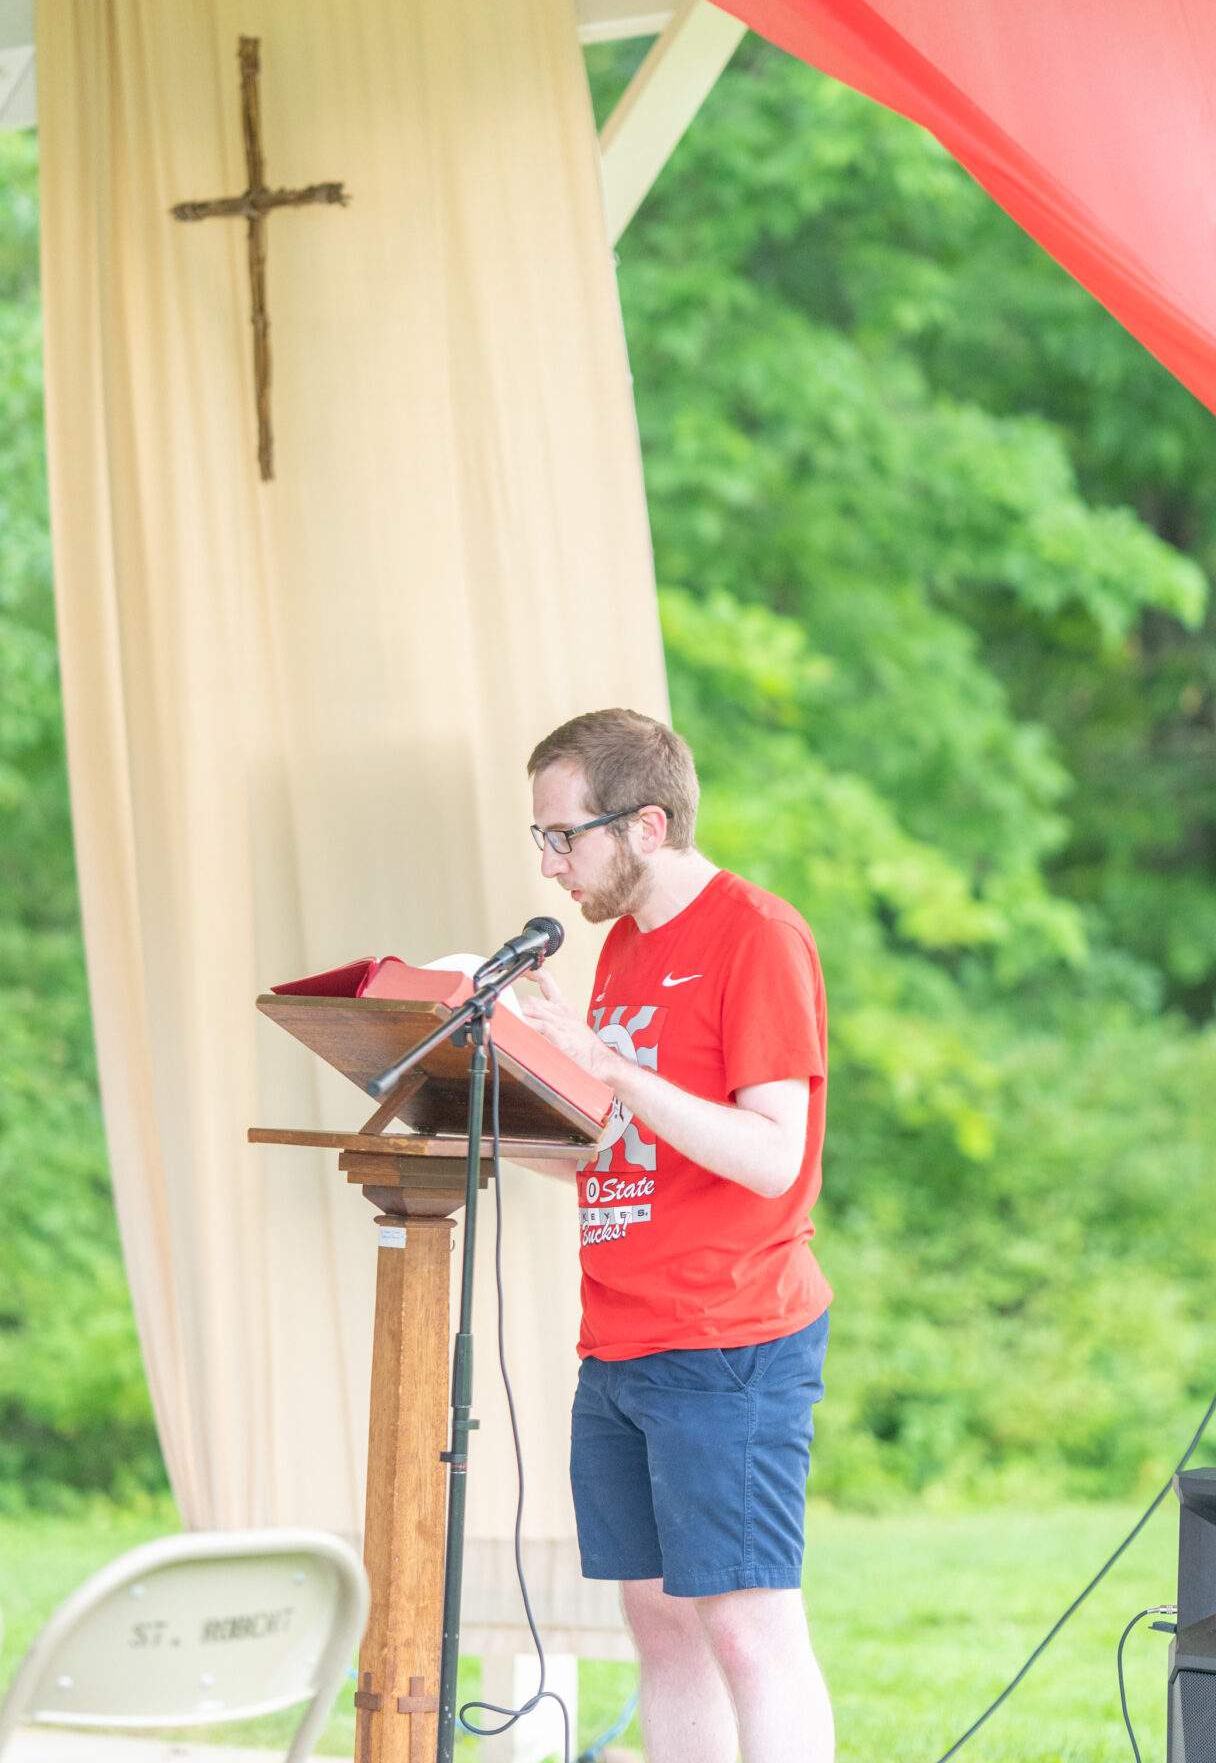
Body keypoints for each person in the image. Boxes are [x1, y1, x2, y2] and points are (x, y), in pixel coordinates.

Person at [517, 707, 835, 1763]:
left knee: (747, 1625)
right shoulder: (617, 948)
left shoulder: (758, 933)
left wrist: (610, 1067)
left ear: (647, 824)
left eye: (567, 833)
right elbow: (615, 1147)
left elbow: (771, 1153)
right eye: (543, 837)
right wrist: (487, 1106)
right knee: (657, 1623)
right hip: (618, 1338)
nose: (552, 861)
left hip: (728, 1336)